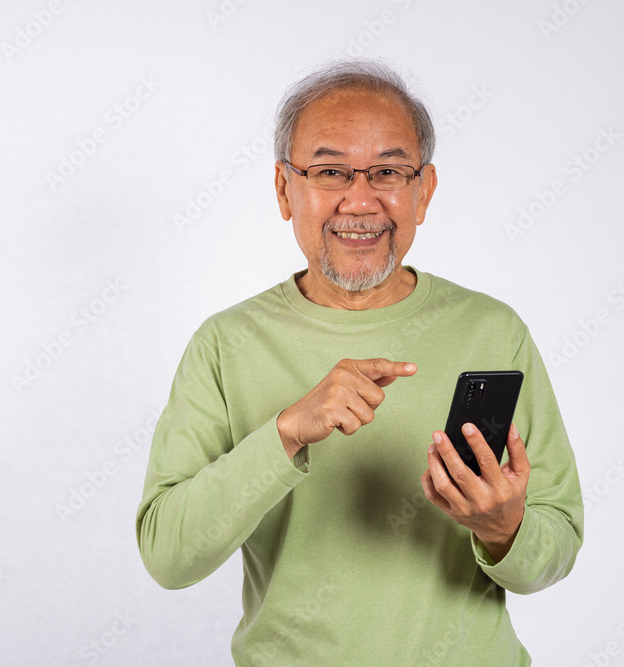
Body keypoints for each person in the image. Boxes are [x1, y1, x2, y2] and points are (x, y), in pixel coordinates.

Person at [136, 59, 582, 665]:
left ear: (423, 191)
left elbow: (555, 550)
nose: (360, 199)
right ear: (283, 189)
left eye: (388, 171)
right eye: (330, 171)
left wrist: (505, 530)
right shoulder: (224, 344)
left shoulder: (493, 331)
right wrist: (287, 431)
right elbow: (168, 558)